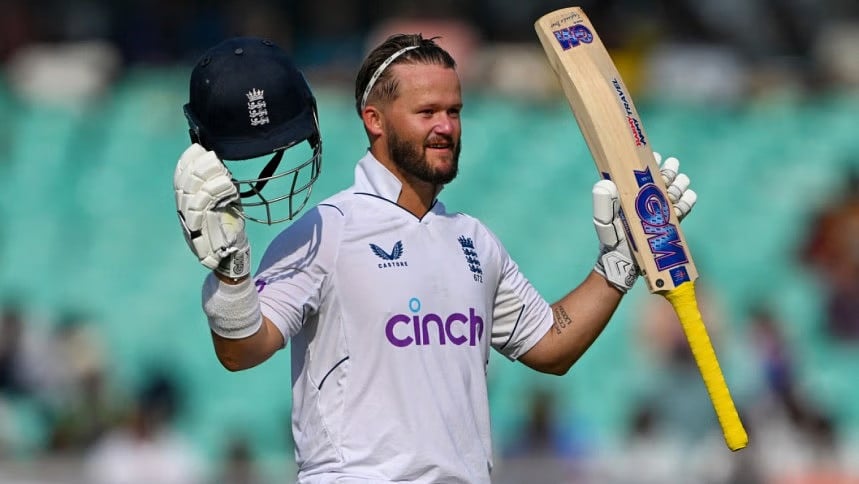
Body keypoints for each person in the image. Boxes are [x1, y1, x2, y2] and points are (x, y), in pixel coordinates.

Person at [173, 34, 698, 483]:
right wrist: (231, 274)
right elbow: (242, 351)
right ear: (374, 120)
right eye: (427, 112)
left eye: (454, 111)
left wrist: (620, 262)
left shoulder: (473, 239)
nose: (446, 126)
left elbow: (551, 345)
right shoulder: (326, 231)